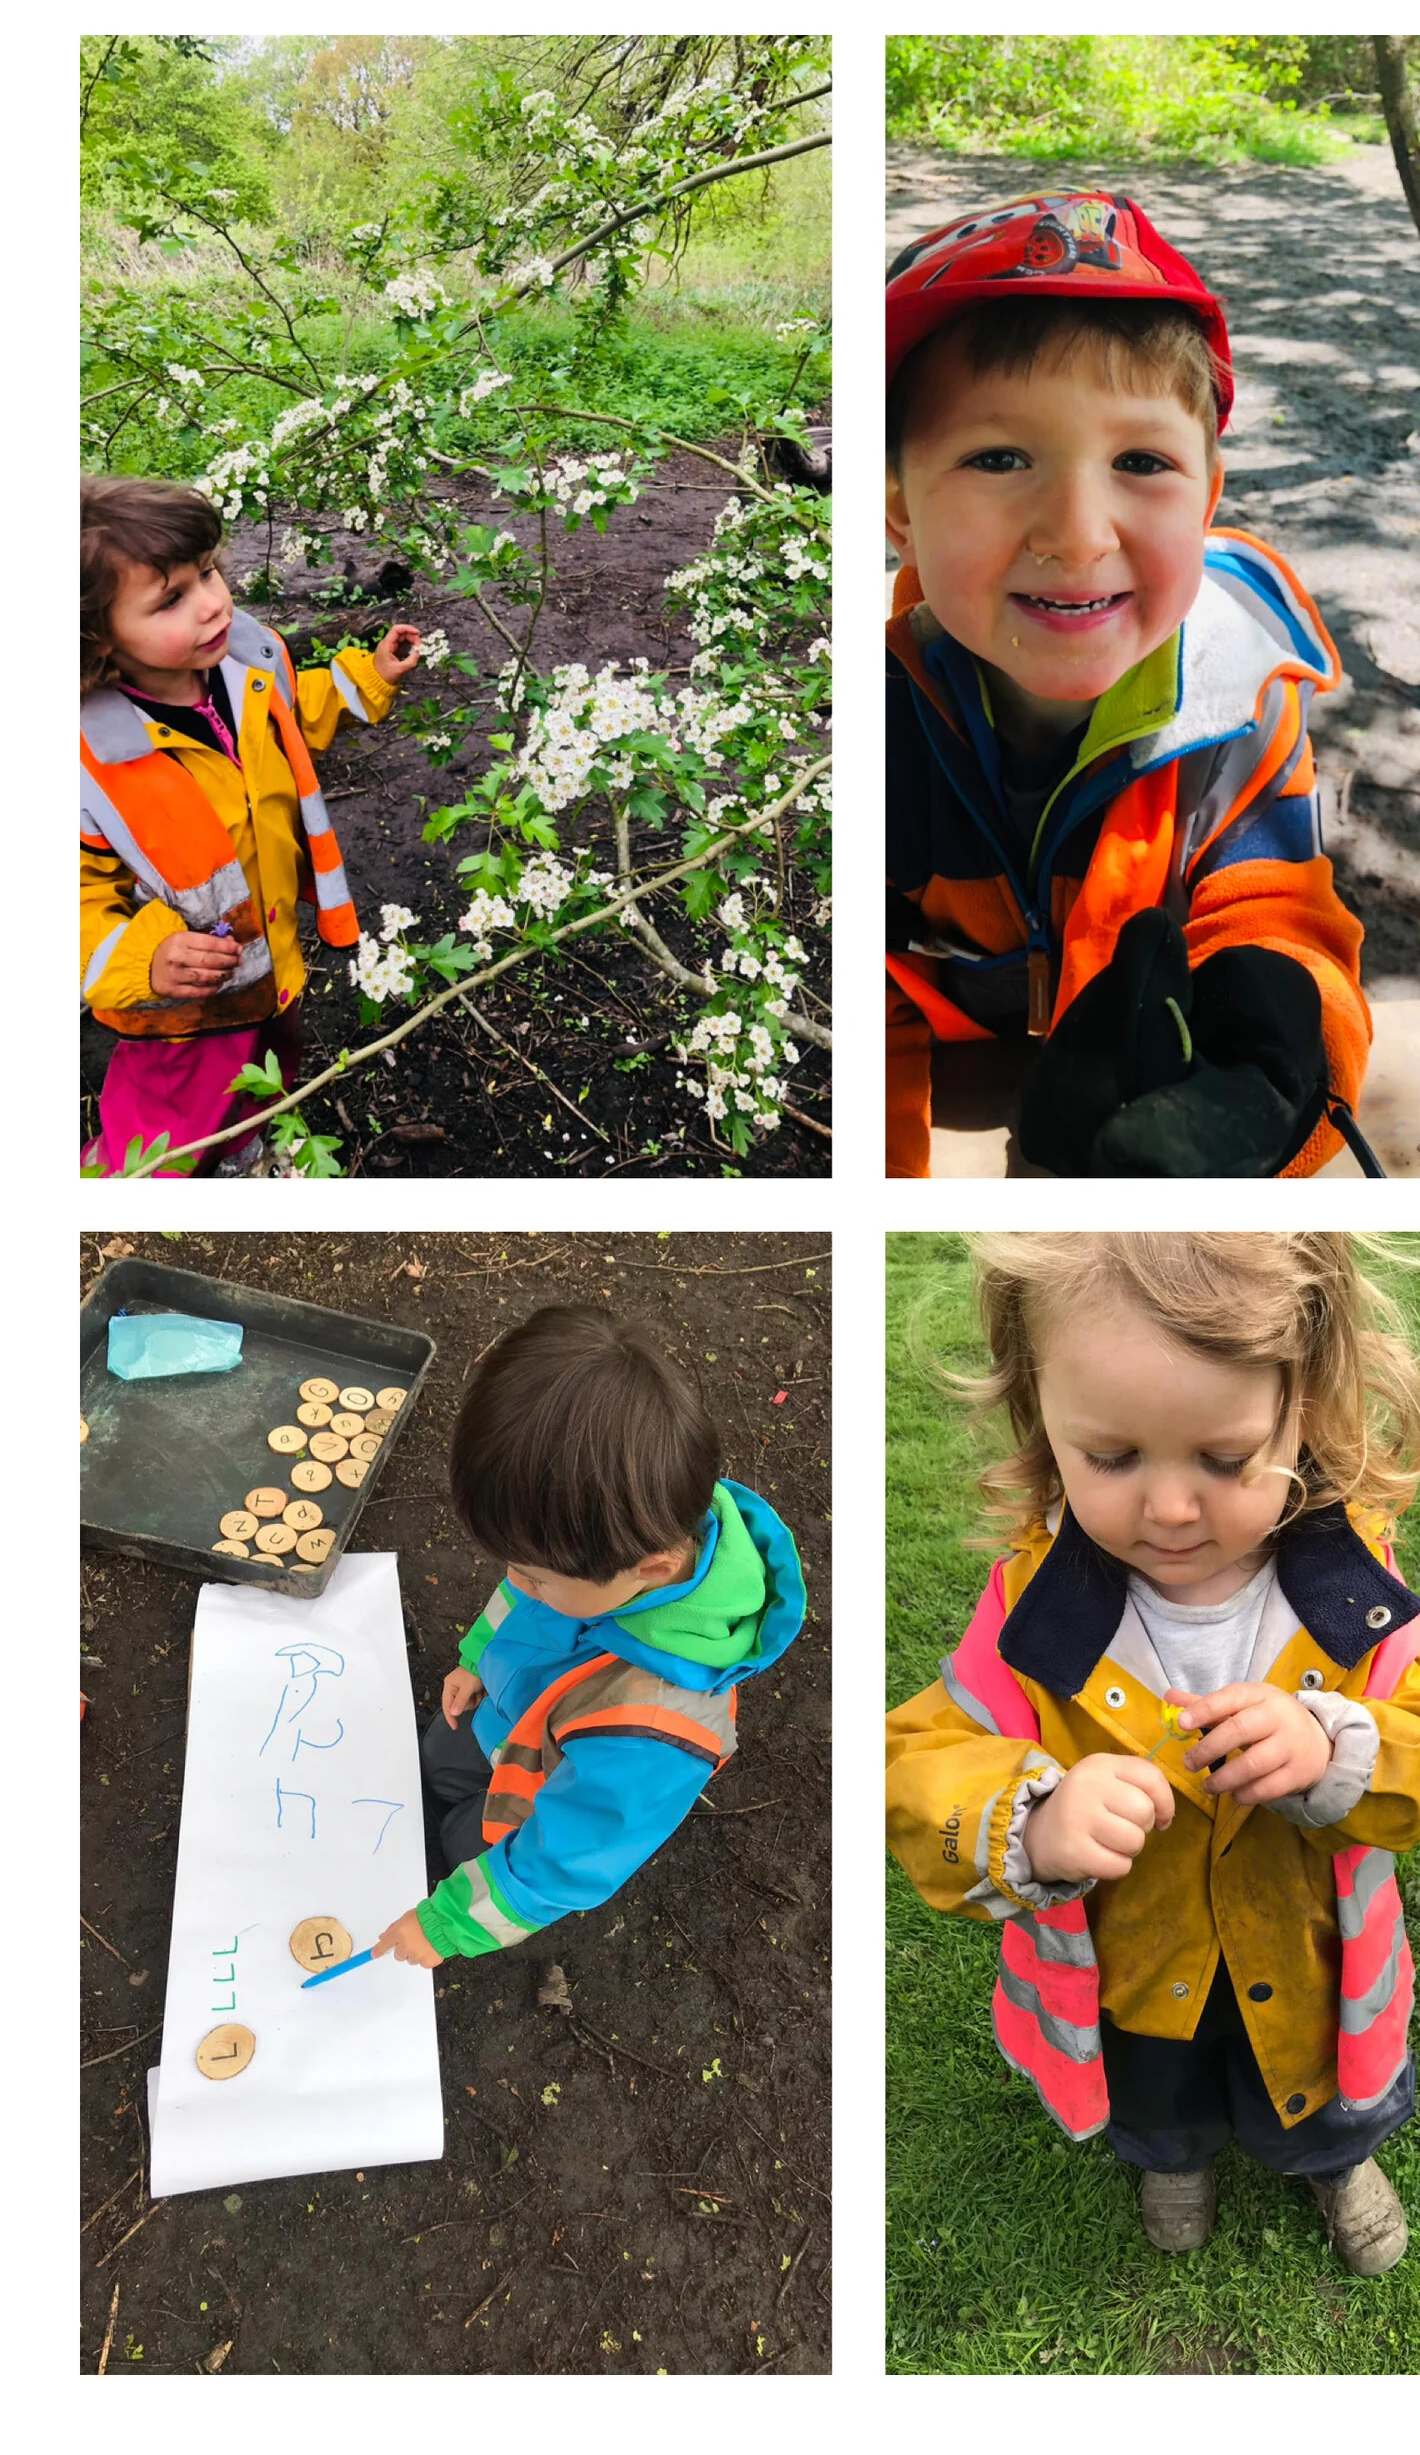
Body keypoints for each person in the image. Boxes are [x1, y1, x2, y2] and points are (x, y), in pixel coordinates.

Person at [885, 1234, 1420, 2273]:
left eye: (1223, 1460)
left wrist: (1333, 1745)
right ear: (1042, 1417)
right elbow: (919, 1760)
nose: (1169, 1508)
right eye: (1111, 1457)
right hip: (1137, 1968)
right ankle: (1173, 2162)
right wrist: (1029, 1816)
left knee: (1314, 2096)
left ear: (1304, 1409)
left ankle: (1335, 2163)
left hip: (1309, 1961)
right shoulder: (1032, 1615)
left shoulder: (1349, 1593)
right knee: (1157, 2097)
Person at [884, 192, 1369, 1178]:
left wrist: (1267, 1086)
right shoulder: (880, 722)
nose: (1077, 531)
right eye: (998, 458)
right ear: (898, 514)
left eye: (1141, 461)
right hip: (970, 1085)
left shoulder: (1240, 712)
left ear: (1207, 501)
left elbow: (1282, 929)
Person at [367, 1305, 808, 1969]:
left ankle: (458, 1858)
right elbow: (520, 1598)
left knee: (463, 1840)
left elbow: (573, 1853)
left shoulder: (657, 1729)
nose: (516, 1582)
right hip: (509, 1714)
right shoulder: (601, 1536)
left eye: (533, 1577)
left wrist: (450, 1922)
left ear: (649, 1570)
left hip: (543, 1789)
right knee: (437, 1754)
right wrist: (475, 1658)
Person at [80, 476, 424, 1175]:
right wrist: (141, 960)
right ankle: (126, 1185)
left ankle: (246, 1146)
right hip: (184, 994)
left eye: (207, 572)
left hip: (273, 946)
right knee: (170, 1113)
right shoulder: (88, 757)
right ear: (96, 637)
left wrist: (367, 679)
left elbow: (296, 713)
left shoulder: (248, 661)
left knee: (272, 1054)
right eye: (170, 599)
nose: (211, 604)